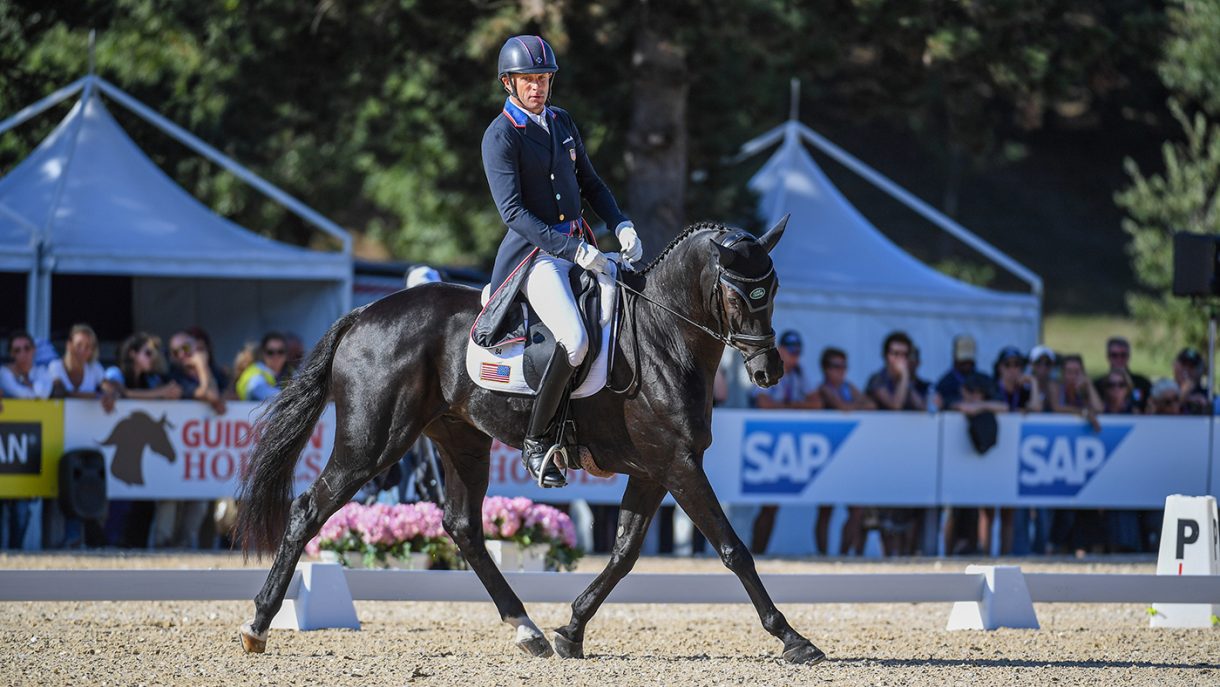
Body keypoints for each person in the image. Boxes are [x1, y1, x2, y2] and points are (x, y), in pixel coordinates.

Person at [478, 35, 642, 488]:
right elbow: (512, 213)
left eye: (544, 79)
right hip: (536, 258)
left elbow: (590, 183)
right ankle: (537, 440)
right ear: (508, 83)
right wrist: (573, 250)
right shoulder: (501, 135)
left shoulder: (563, 121)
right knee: (574, 340)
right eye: (528, 79)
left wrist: (621, 223)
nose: (537, 87)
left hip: (580, 244)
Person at [747, 330, 822, 555]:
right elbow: (762, 403)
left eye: (797, 353)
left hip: (786, 443)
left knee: (774, 504)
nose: (794, 357)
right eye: (790, 352)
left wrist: (787, 409)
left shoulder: (800, 373)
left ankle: (760, 552)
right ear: (780, 351)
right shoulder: (767, 367)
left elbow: (816, 403)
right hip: (766, 443)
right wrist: (796, 408)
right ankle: (757, 552)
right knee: (768, 505)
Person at [813, 346, 874, 556]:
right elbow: (844, 407)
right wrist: (855, 404)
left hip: (848, 455)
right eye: (835, 366)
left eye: (843, 366)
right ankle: (823, 555)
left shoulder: (847, 387)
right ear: (825, 369)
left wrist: (853, 404)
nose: (841, 371)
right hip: (828, 454)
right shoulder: (823, 389)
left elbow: (871, 405)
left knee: (856, 510)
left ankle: (842, 555)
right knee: (826, 510)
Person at [0, 332, 51, 550]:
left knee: (21, 511)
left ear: (34, 351)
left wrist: (24, 379)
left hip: (28, 449)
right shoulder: (3, 373)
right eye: (16, 350)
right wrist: (25, 385)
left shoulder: (42, 373)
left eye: (26, 349)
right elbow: (21, 394)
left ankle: (16, 555)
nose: (22, 354)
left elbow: (41, 394)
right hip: (6, 446)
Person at [48, 323, 110, 409]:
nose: (82, 350)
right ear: (69, 345)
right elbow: (60, 393)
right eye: (79, 345)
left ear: (92, 350)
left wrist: (110, 394)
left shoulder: (94, 367)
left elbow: (109, 388)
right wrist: (97, 396)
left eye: (88, 346)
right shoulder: (55, 366)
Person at [167, 331, 226, 414]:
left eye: (185, 348)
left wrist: (223, 398)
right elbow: (211, 395)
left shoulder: (214, 369)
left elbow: (228, 392)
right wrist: (201, 365)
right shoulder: (176, 377)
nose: (181, 354)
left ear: (195, 346)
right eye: (176, 352)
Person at [1095, 336, 1151, 413]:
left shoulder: (1142, 383)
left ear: (1128, 357)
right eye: (1114, 355)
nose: (1119, 359)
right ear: (1107, 357)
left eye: (1123, 355)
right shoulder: (1098, 384)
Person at [935, 334, 986, 411]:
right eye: (963, 360)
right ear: (954, 356)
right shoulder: (945, 383)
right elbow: (941, 402)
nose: (966, 363)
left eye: (969, 360)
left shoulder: (984, 380)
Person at [236, 333, 288, 402]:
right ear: (263, 353)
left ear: (286, 353)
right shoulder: (255, 372)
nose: (276, 356)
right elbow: (258, 389)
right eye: (270, 352)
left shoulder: (291, 372)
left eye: (280, 352)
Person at [1173, 347, 1209, 415]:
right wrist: (1184, 397)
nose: (1186, 369)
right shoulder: (1164, 389)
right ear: (1174, 365)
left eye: (1191, 366)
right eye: (1183, 364)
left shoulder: (1206, 394)